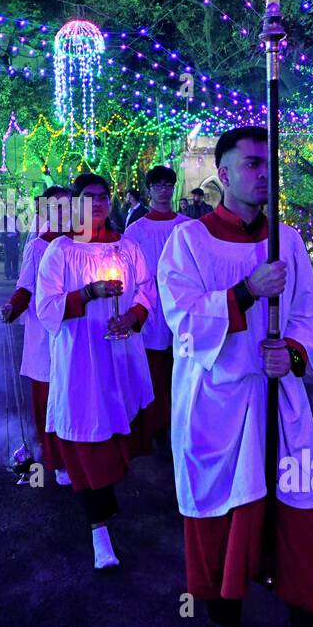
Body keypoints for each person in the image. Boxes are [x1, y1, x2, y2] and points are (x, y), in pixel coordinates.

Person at [158, 126, 313, 627]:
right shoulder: (188, 240)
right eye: (252, 164)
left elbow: (307, 315)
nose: (263, 175)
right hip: (217, 405)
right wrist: (246, 291)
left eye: (268, 165)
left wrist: (294, 351)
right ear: (224, 174)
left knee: (295, 512)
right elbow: (183, 324)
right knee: (225, 521)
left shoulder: (288, 240)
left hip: (279, 399)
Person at [35, 173, 155, 571]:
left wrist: (135, 316)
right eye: (89, 198)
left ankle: (104, 506)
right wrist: (88, 293)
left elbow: (148, 288)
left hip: (119, 357)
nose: (98, 203)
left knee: (115, 434)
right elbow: (46, 307)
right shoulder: (60, 251)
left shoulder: (127, 246)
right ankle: (98, 530)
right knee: (87, 438)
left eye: (104, 197)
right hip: (80, 360)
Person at [0, 185, 72, 481]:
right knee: (48, 398)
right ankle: (57, 461)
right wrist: (12, 307)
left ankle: (81, 454)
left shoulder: (85, 244)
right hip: (45, 331)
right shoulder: (37, 246)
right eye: (54, 206)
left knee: (76, 395)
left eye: (67, 206)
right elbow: (25, 286)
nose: (61, 211)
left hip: (77, 329)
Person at [124, 166, 187, 458]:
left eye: (168, 185)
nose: (164, 190)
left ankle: (182, 427)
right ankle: (155, 429)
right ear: (149, 189)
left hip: (184, 308)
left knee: (183, 372)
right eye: (158, 185)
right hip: (150, 308)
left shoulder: (188, 227)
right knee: (153, 372)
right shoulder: (136, 231)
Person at [2, 203, 21, 281]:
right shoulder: (4, 218)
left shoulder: (16, 218)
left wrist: (18, 238)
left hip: (15, 241)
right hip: (7, 241)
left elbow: (20, 229)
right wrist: (5, 235)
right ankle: (7, 274)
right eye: (9, 208)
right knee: (7, 259)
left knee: (15, 258)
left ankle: (15, 274)